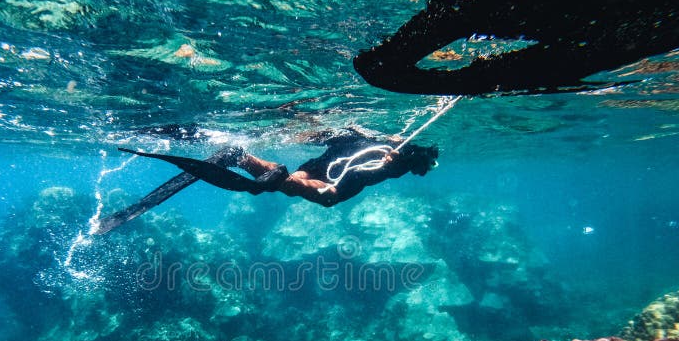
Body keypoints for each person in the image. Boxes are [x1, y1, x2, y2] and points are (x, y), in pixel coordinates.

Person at [92, 128, 437, 234]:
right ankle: (245, 159)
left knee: (293, 183)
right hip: (335, 183)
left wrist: (298, 128)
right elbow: (377, 169)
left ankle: (244, 158)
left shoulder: (365, 137)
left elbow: (320, 136)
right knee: (324, 195)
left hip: (317, 166)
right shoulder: (399, 160)